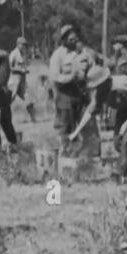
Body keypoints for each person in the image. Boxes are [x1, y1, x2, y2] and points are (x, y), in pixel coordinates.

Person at [70, 65, 127, 182]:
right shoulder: (100, 93)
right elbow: (90, 111)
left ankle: (119, 174)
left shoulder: (123, 85)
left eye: (98, 86)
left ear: (105, 82)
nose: (96, 89)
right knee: (118, 143)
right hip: (123, 111)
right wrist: (76, 131)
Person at [49, 25, 95, 156]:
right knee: (65, 127)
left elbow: (93, 68)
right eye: (70, 39)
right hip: (65, 95)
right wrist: (71, 76)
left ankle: (90, 157)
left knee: (88, 125)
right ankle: (65, 155)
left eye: (75, 39)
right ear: (63, 40)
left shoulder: (83, 52)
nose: (74, 42)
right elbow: (55, 76)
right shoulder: (58, 55)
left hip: (82, 94)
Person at [8, 36, 38, 122]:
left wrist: (25, 69)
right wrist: (20, 70)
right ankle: (3, 119)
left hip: (22, 81)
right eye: (23, 44)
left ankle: (33, 119)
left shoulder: (23, 54)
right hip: (14, 81)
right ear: (18, 44)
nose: (24, 46)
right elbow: (9, 67)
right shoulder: (13, 53)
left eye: (25, 45)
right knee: (8, 101)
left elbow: (25, 65)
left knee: (29, 99)